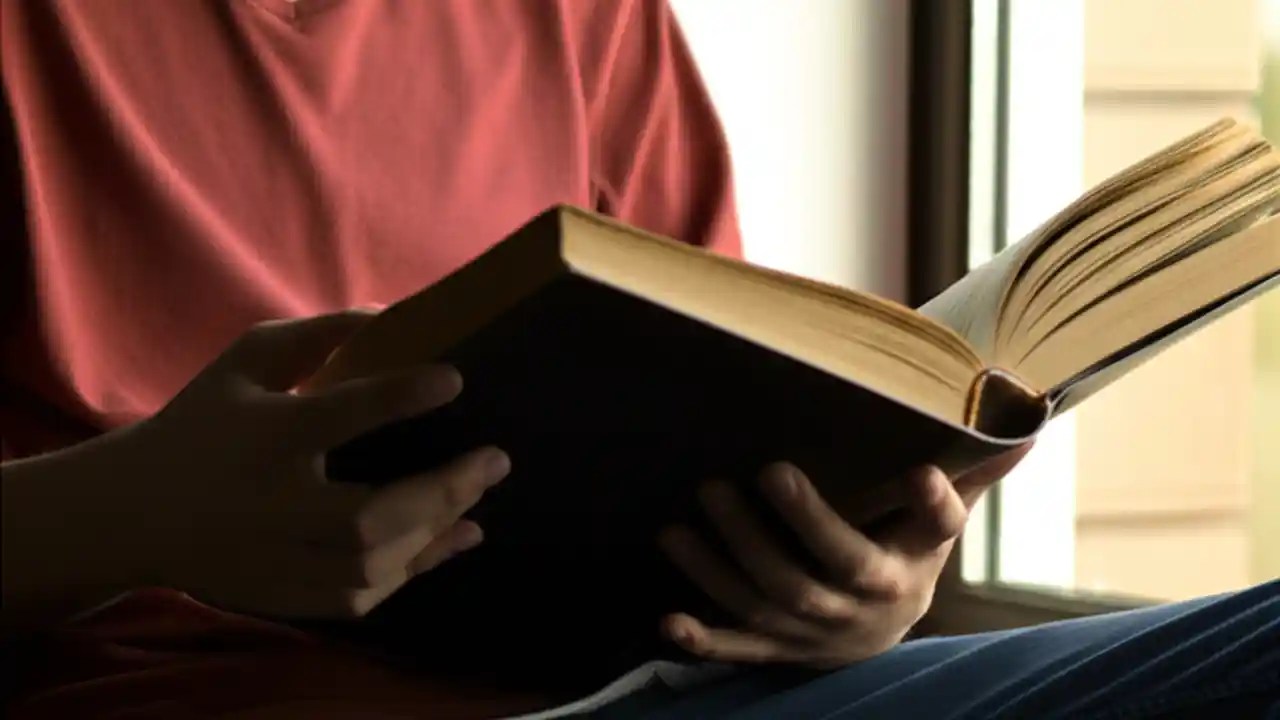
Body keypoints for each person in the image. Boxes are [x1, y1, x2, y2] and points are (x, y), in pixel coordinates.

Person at [0, 1, 1275, 718]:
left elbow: (708, 412)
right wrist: (135, 515)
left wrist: (859, 587)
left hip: (653, 699)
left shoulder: (583, 17)